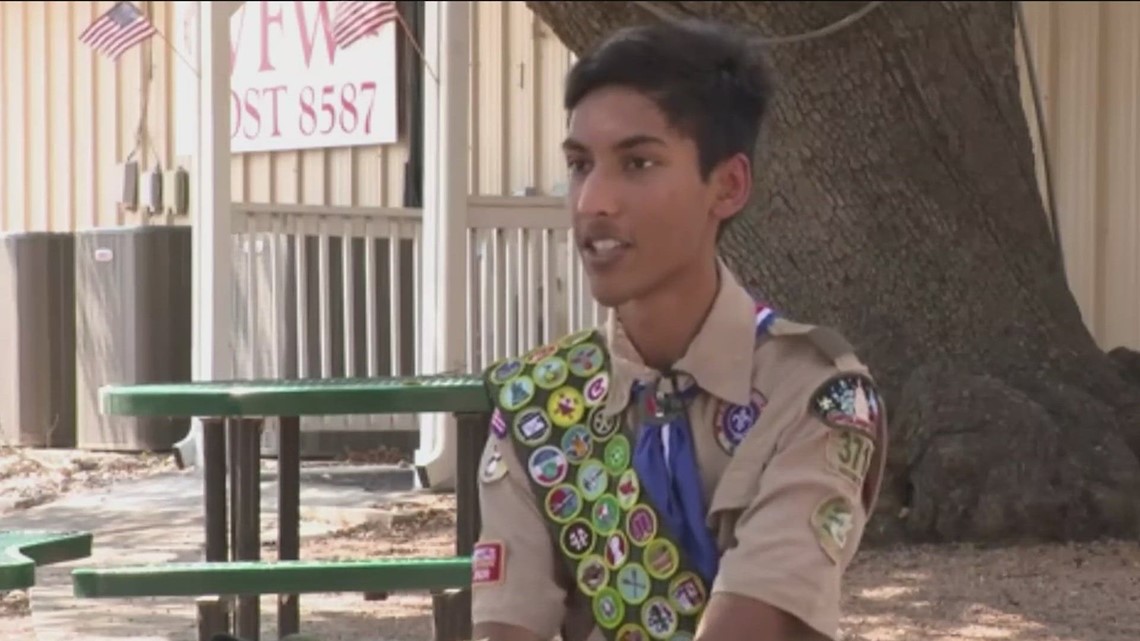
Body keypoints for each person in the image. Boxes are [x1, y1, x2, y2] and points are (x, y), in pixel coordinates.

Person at [472, 16, 888, 641]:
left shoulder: (814, 394)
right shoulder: (539, 402)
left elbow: (749, 625)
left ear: (728, 186)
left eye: (638, 163)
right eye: (580, 164)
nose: (591, 202)